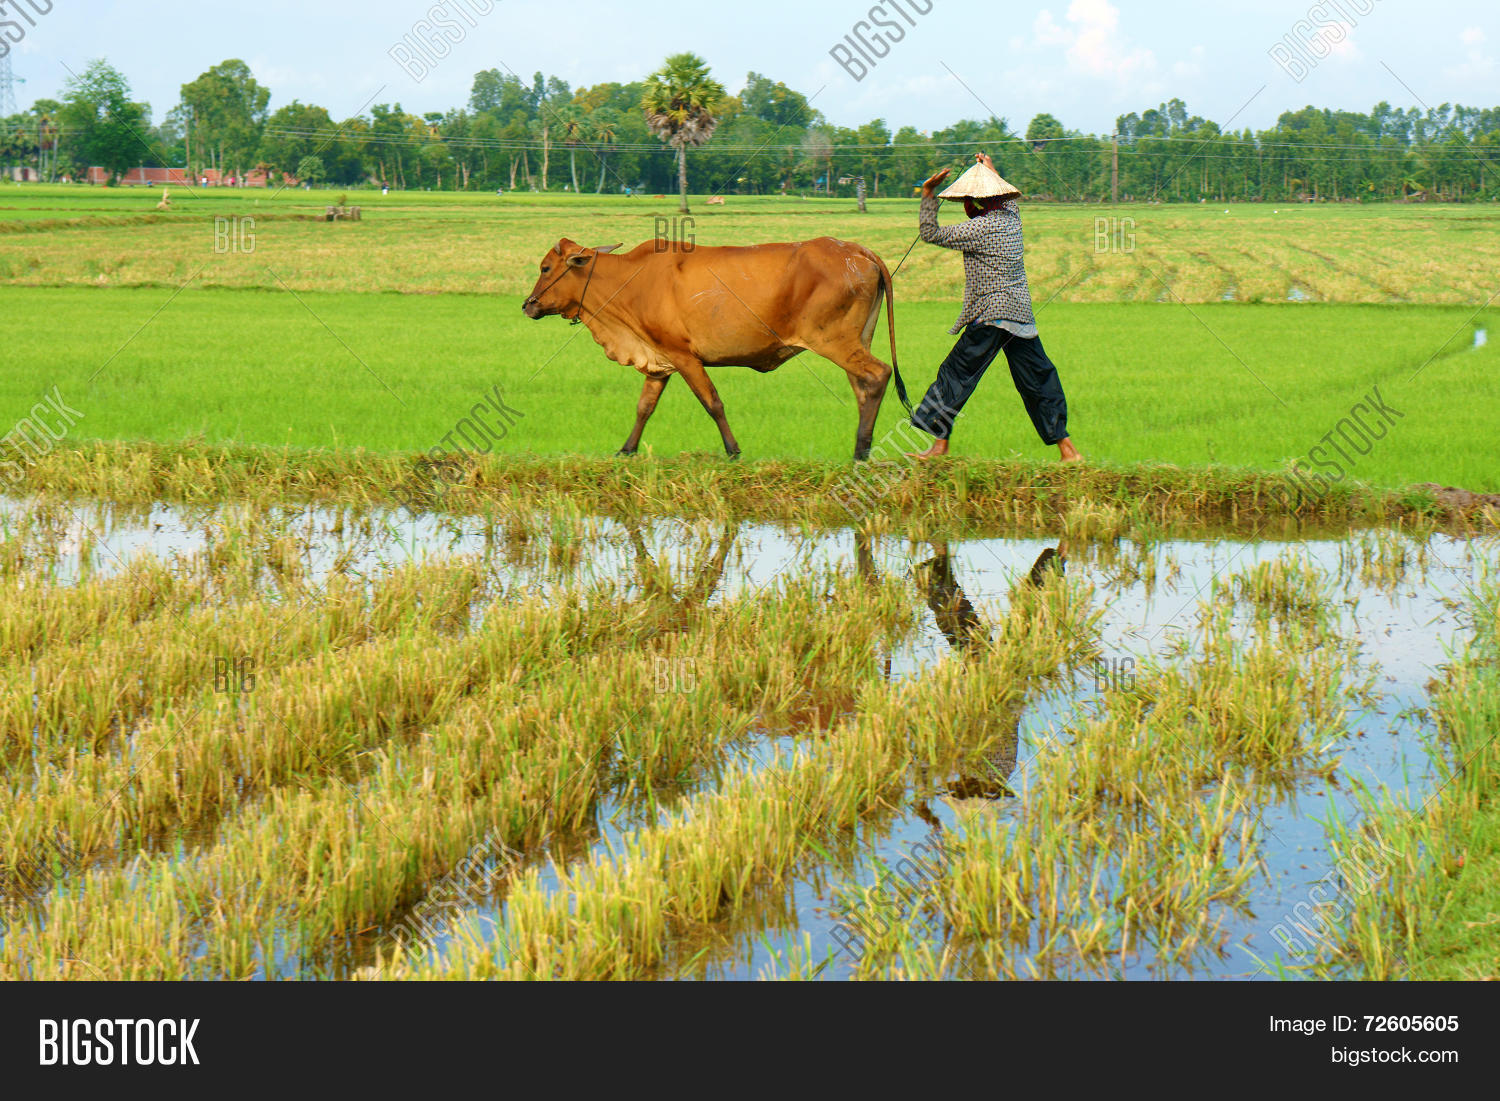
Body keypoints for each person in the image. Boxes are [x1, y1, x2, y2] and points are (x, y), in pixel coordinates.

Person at [905, 153, 1082, 463]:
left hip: (989, 315)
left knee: (954, 375)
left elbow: (930, 234)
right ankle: (1069, 451)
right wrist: (988, 165)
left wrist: (929, 194)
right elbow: (1001, 198)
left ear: (975, 202)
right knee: (1039, 380)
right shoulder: (1013, 219)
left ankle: (939, 447)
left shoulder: (979, 229)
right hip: (1020, 318)